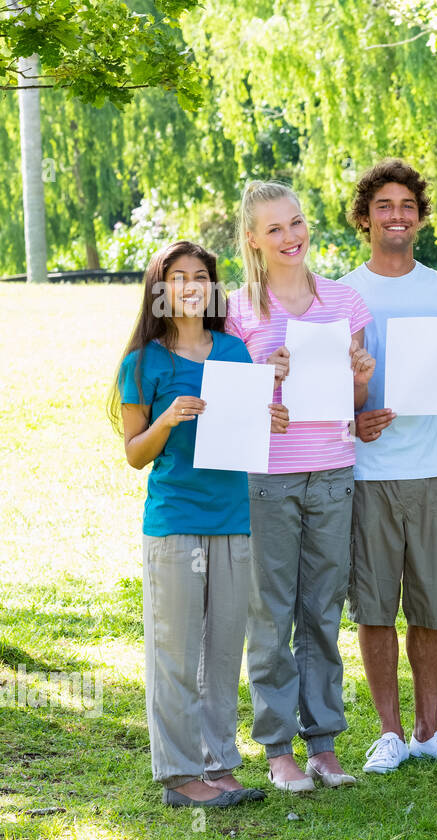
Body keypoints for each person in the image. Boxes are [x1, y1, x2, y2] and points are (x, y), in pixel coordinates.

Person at [112, 240, 288, 806]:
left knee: (222, 650)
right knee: (177, 651)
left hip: (234, 519)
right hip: (176, 524)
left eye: (201, 276)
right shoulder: (143, 363)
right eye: (178, 277)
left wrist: (271, 419)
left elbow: (244, 435)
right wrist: (165, 419)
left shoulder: (235, 352)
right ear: (160, 290)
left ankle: (219, 764)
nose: (191, 286)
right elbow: (136, 454)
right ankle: (180, 774)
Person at [339, 159, 437, 774]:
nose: (396, 215)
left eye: (407, 205)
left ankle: (429, 731)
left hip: (436, 471)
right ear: (364, 218)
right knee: (375, 606)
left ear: (420, 217)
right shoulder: (343, 294)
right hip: (368, 472)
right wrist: (353, 421)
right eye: (384, 205)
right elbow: (329, 392)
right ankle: (390, 734)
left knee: (431, 605)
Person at [226, 180, 376, 791]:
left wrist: (361, 376)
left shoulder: (344, 302)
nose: (291, 238)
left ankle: (324, 743)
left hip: (334, 473)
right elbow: (231, 403)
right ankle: (276, 747)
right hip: (267, 480)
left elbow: (357, 400)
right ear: (253, 240)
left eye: (296, 223)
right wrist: (264, 379)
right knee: (271, 613)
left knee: (322, 610)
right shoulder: (237, 311)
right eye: (275, 229)